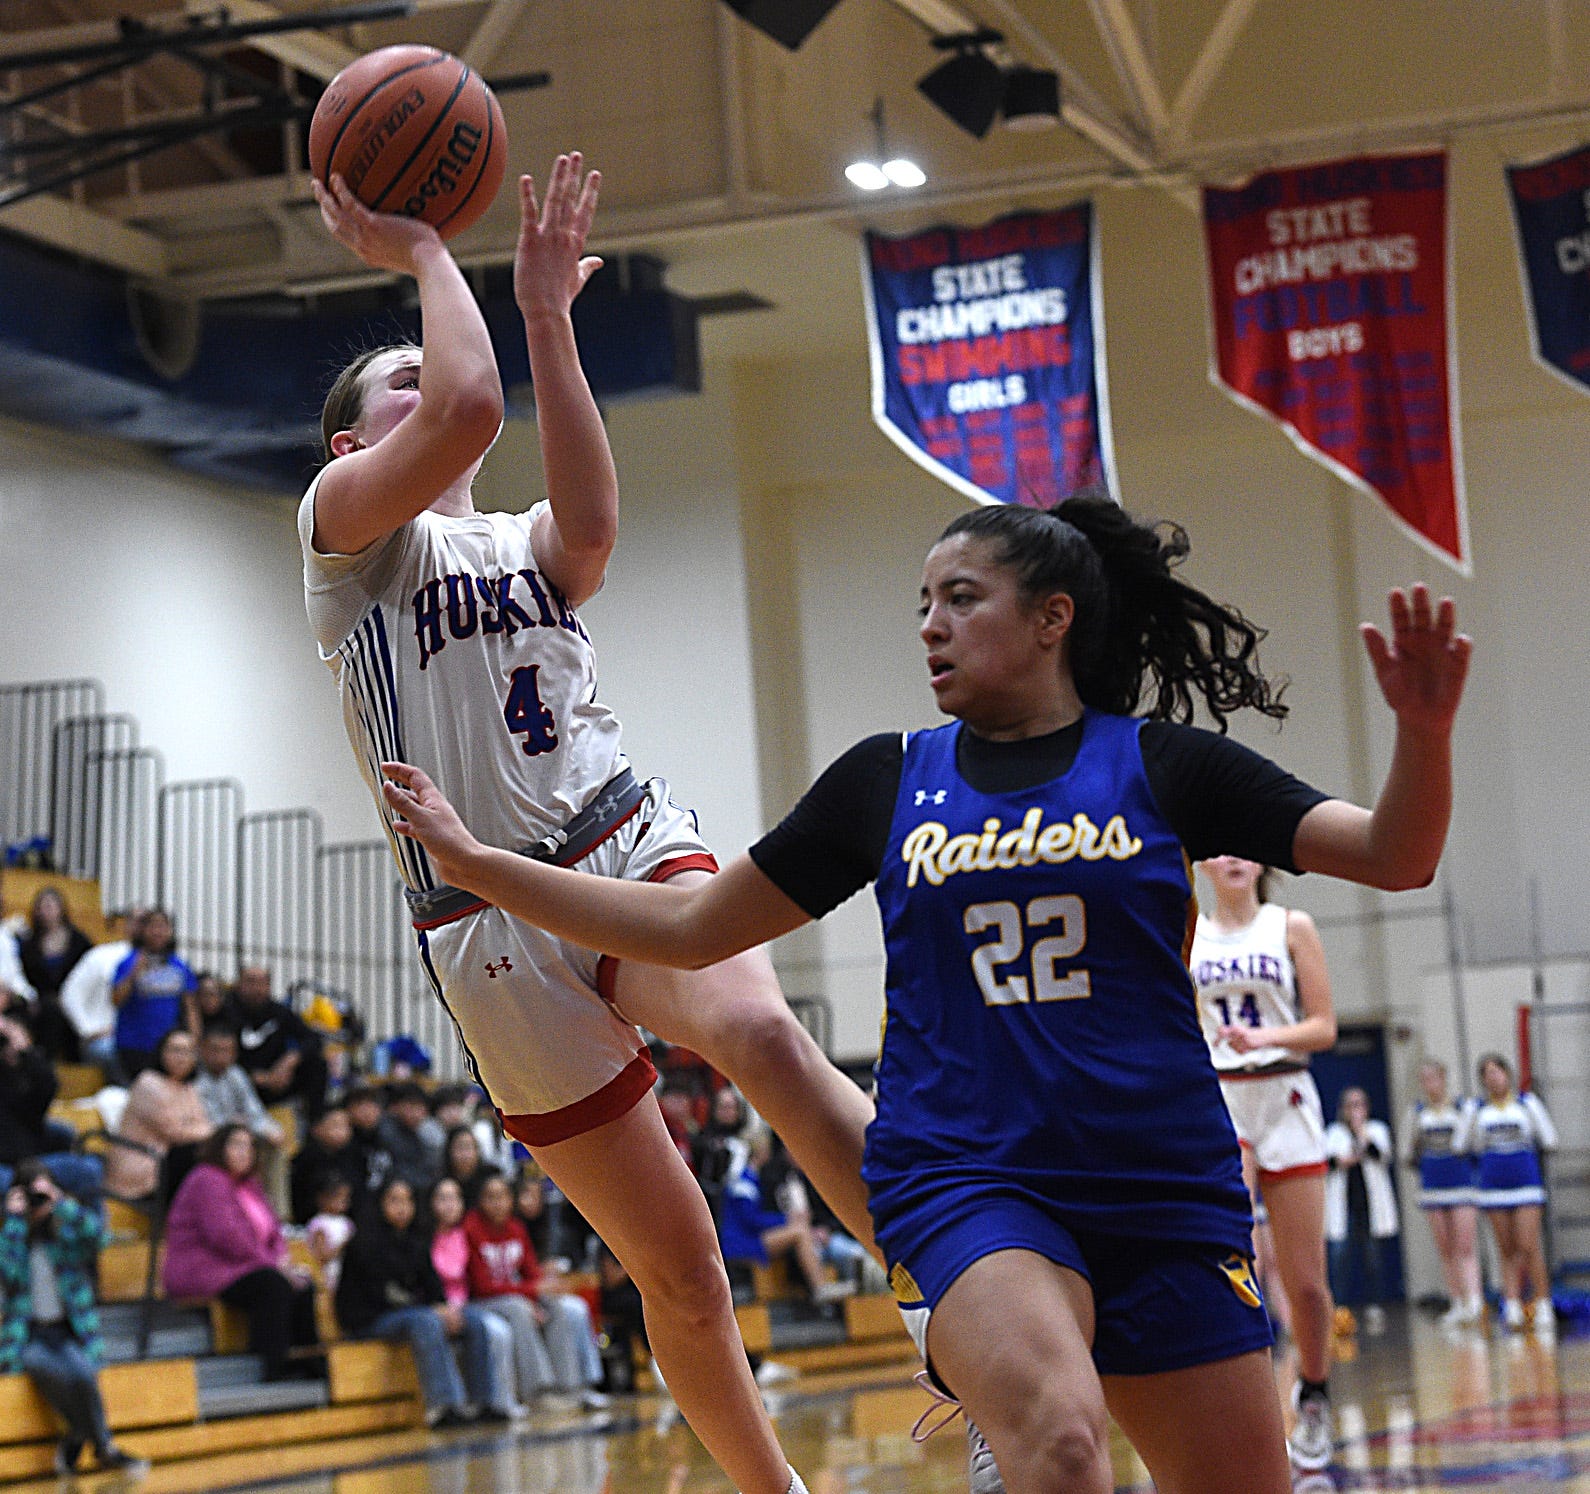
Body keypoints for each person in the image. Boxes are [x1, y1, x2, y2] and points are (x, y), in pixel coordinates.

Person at [381, 491, 1470, 1494]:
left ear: (1051, 619)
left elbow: (1394, 854)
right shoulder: (889, 777)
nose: (930, 626)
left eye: (961, 599)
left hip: (1160, 1184)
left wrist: (1422, 735)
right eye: (923, 604)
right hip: (969, 1178)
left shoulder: (1164, 765)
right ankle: (986, 1379)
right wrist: (478, 867)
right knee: (1059, 1438)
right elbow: (690, 926)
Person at [301, 150, 866, 1494]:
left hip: (608, 840)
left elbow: (593, 519)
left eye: (418, 363)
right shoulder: (344, 537)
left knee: (760, 1033)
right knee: (677, 1271)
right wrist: (429, 250)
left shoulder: (519, 542)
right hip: (481, 931)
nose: (423, 386)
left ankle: (952, 1315)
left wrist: (549, 318)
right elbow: (465, 400)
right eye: (396, 381)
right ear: (347, 444)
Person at [1190, 858, 1337, 1471]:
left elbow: (1324, 1027)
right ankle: (1237, 1408)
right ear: (1201, 862)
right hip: (1223, 1099)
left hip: (1288, 1098)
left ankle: (1315, 1391)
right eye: (1219, 849)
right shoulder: (1187, 930)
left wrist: (1269, 1039)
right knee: (1231, 1261)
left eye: (1243, 849)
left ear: (1260, 862)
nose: (1232, 859)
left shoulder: (1291, 925)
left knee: (1304, 1284)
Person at [0, 1162, 146, 1476]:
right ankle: (100, 1444)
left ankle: (84, 1440)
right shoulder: (13, 1236)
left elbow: (97, 1238)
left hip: (68, 1332)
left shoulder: (65, 1232)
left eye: (43, 1194)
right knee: (45, 1367)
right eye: (32, 1196)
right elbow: (6, 1273)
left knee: (82, 1373)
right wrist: (14, 1221)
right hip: (27, 1336)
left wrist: (62, 1204)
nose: (38, 1204)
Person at [161, 1124, 320, 1380]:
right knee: (273, 1285)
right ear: (218, 1147)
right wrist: (273, 1265)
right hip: (204, 1268)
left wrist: (282, 1260)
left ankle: (309, 1363)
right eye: (236, 1144)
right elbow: (227, 1237)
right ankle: (273, 1365)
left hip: (245, 1266)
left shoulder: (250, 1185)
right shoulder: (206, 1179)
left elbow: (274, 1231)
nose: (245, 1151)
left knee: (303, 1284)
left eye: (249, 1146)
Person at [334, 1176, 494, 1428]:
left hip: (407, 1314)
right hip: (368, 1319)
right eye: (394, 1200)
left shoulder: (415, 1240)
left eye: (407, 1201)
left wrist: (444, 1307)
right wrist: (432, 1311)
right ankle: (441, 1407)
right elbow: (384, 1297)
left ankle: (482, 1403)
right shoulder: (364, 1242)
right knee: (427, 1321)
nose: (402, 1207)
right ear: (380, 1204)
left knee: (472, 1319)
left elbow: (432, 1285)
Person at [464, 1170, 608, 1410]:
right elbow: (482, 1286)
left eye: (503, 1196)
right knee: (520, 1308)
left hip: (515, 1295)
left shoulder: (516, 1228)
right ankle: (537, 1390)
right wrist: (530, 1293)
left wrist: (539, 1290)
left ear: (511, 1199)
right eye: (491, 1197)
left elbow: (532, 1273)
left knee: (559, 1304)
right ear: (480, 1201)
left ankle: (571, 1386)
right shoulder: (471, 1229)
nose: (498, 1203)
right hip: (485, 1300)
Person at [427, 1176, 526, 1418]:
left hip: (466, 1303)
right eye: (443, 1198)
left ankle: (500, 1401)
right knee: (491, 1329)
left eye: (455, 1198)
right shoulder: (425, 1237)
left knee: (499, 1331)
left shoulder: (464, 1233)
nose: (449, 1205)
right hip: (438, 1304)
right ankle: (465, 1403)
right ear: (430, 1203)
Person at [1471, 1052, 1557, 1333]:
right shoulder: (1479, 1111)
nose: (1494, 1078)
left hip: (1526, 1184)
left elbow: (1549, 1138)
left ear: (1508, 1074)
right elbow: (1468, 1144)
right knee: (1506, 1248)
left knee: (1528, 1244)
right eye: (1488, 1074)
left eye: (1498, 1072)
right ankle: (1512, 1304)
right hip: (1494, 1187)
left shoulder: (1526, 1104)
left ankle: (1542, 1303)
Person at [719, 1124, 852, 1305]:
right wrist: (786, 1219)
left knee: (799, 1229)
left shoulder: (751, 1177)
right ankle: (820, 1287)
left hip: (748, 1237)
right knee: (799, 1232)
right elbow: (751, 1219)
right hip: (741, 1242)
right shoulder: (743, 1180)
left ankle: (817, 1284)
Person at [1403, 1058, 1482, 1327]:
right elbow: (1409, 1151)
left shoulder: (1462, 1108)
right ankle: (1457, 1302)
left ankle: (1475, 1300)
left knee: (1465, 1245)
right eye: (1424, 1080)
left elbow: (1473, 1144)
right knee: (1445, 1248)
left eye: (1434, 1078)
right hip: (1433, 1184)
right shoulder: (1417, 1112)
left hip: (1460, 1182)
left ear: (1444, 1078)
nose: (1430, 1084)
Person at [102, 1025, 212, 1201]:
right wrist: (209, 1131)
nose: (182, 1058)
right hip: (143, 1165)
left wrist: (206, 1131)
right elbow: (175, 1132)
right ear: (161, 1052)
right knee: (194, 1155)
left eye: (188, 1052)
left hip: (168, 1162)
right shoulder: (149, 1083)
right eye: (176, 1050)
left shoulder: (188, 1088)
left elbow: (202, 1123)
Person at [1324, 1088, 1399, 1333]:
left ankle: (1375, 1304)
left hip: (1369, 1205)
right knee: (1340, 1256)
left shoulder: (1376, 1129)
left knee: (1373, 1257)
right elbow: (1327, 1161)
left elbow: (1382, 1154)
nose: (1355, 1110)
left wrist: (1361, 1134)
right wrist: (1342, 1161)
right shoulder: (1333, 1133)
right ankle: (1340, 1306)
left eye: (1359, 1105)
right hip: (1344, 1204)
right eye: (1350, 1105)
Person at [194, 1022, 289, 1213]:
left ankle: (275, 1215)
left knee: (274, 1143)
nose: (221, 1056)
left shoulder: (236, 1074)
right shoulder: (194, 1077)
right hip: (209, 1139)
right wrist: (238, 1128)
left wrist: (271, 1130)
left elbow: (255, 1112)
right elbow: (212, 1122)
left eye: (227, 1050)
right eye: (215, 1050)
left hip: (239, 1134)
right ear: (202, 1049)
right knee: (239, 1145)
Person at [230, 965, 328, 1120]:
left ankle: (316, 1123)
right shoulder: (228, 1011)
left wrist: (289, 1061)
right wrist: (254, 1076)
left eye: (262, 983)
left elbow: (312, 1039)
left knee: (317, 1064)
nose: (256, 988)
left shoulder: (279, 1012)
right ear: (239, 984)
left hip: (278, 1079)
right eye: (250, 982)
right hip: (241, 1081)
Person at [110, 909, 196, 1079]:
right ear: (142, 931)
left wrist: (194, 1039)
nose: (158, 932)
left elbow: (191, 1007)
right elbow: (116, 1000)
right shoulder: (128, 963)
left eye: (163, 927)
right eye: (153, 926)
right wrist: (134, 973)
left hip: (168, 1048)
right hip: (134, 1044)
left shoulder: (179, 966)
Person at [60, 909, 145, 1080]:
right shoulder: (101, 956)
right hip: (106, 1039)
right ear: (126, 925)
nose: (142, 927)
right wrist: (88, 1030)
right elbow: (70, 994)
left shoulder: (167, 962)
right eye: (137, 921)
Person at [16, 888, 91, 1062]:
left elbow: (88, 971)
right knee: (48, 1010)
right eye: (43, 906)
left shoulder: (79, 940)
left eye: (52, 905)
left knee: (65, 1011)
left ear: (61, 909)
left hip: (74, 998)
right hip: (41, 1000)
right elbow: (23, 975)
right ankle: (43, 1060)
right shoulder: (29, 942)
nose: (47, 910)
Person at [291, 1102, 362, 1225]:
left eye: (346, 1126)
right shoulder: (304, 1159)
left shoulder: (355, 1155)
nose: (342, 1131)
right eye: (335, 1125)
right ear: (316, 1128)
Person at [305, 1172, 356, 1294]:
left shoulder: (346, 1222)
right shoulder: (320, 1224)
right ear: (323, 1198)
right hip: (327, 1275)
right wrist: (344, 1245)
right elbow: (321, 1256)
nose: (343, 1201)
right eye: (338, 1197)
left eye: (346, 1198)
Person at [442, 1123, 496, 1208]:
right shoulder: (441, 1179)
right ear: (449, 1151)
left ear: (477, 1150)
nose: (465, 1155)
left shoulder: (491, 1175)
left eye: (468, 1147)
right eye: (460, 1147)